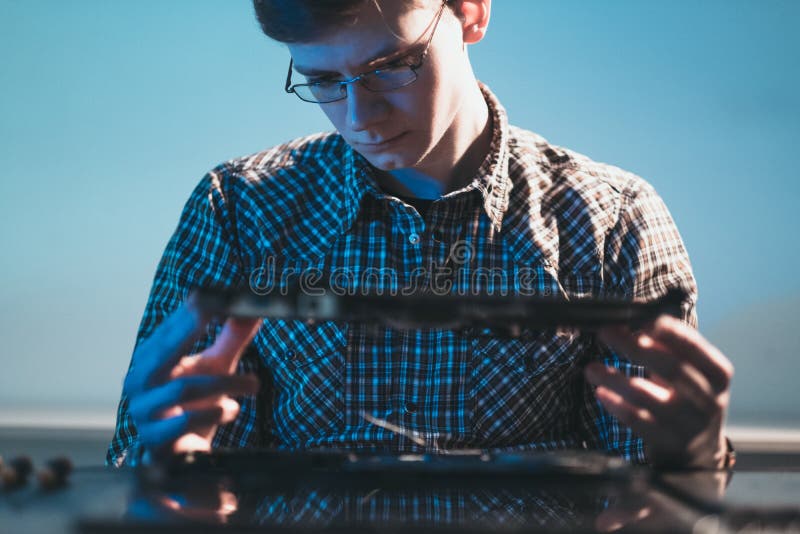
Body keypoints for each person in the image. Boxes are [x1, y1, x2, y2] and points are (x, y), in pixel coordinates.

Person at [108, 0, 734, 470]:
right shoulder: (240, 210)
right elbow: (173, 465)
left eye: (395, 66)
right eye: (324, 82)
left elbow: (647, 490)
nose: (360, 116)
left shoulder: (612, 220)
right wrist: (169, 470)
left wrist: (696, 461)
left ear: (471, 12)